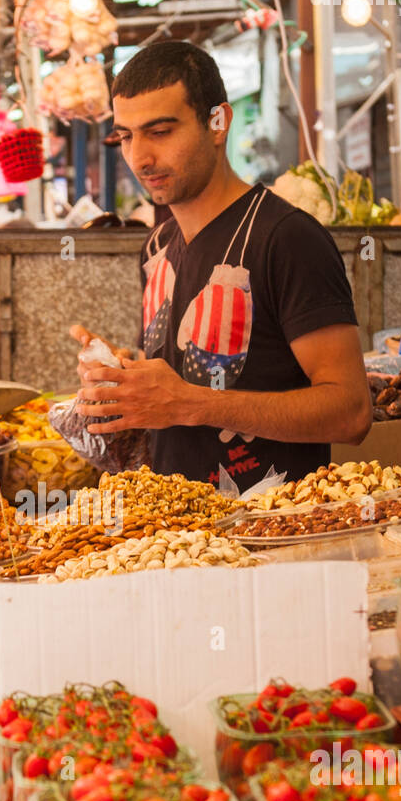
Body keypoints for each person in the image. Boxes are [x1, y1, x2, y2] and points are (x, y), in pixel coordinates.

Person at [75, 41, 372, 489]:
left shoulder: (287, 239)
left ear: (218, 122)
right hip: (176, 524)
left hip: (275, 522)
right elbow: (173, 380)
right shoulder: (157, 247)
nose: (140, 158)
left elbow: (351, 413)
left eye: (160, 131)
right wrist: (121, 374)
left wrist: (190, 403)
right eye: (127, 136)